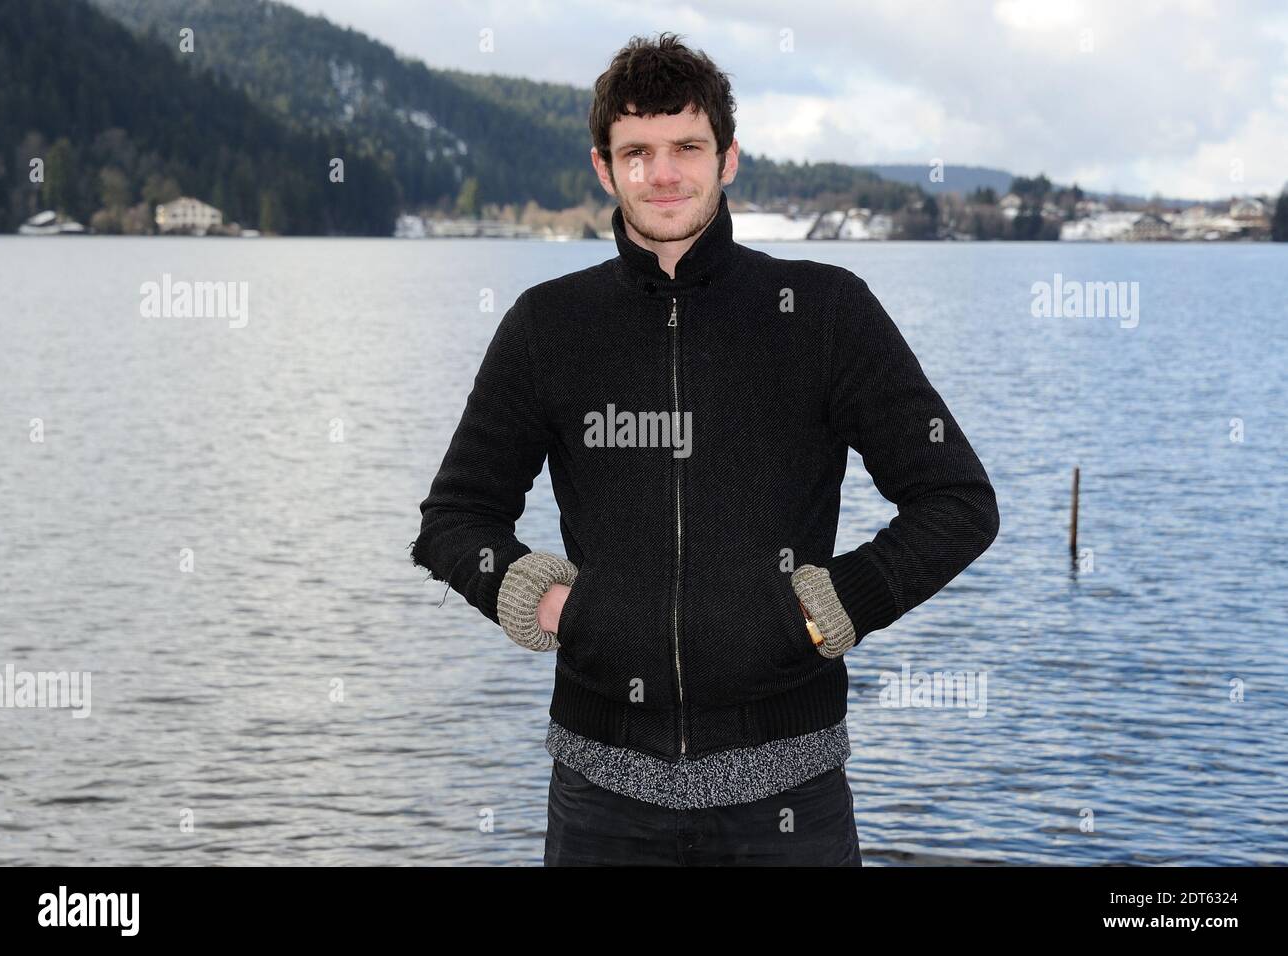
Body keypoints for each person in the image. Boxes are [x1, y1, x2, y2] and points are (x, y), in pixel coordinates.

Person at [410, 32, 1000, 866]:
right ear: (603, 168)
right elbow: (453, 518)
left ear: (728, 160)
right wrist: (550, 605)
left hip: (790, 797)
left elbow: (958, 502)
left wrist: (831, 607)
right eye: (637, 152)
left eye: (687, 146)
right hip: (600, 800)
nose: (663, 173)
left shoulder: (823, 311)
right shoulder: (549, 327)